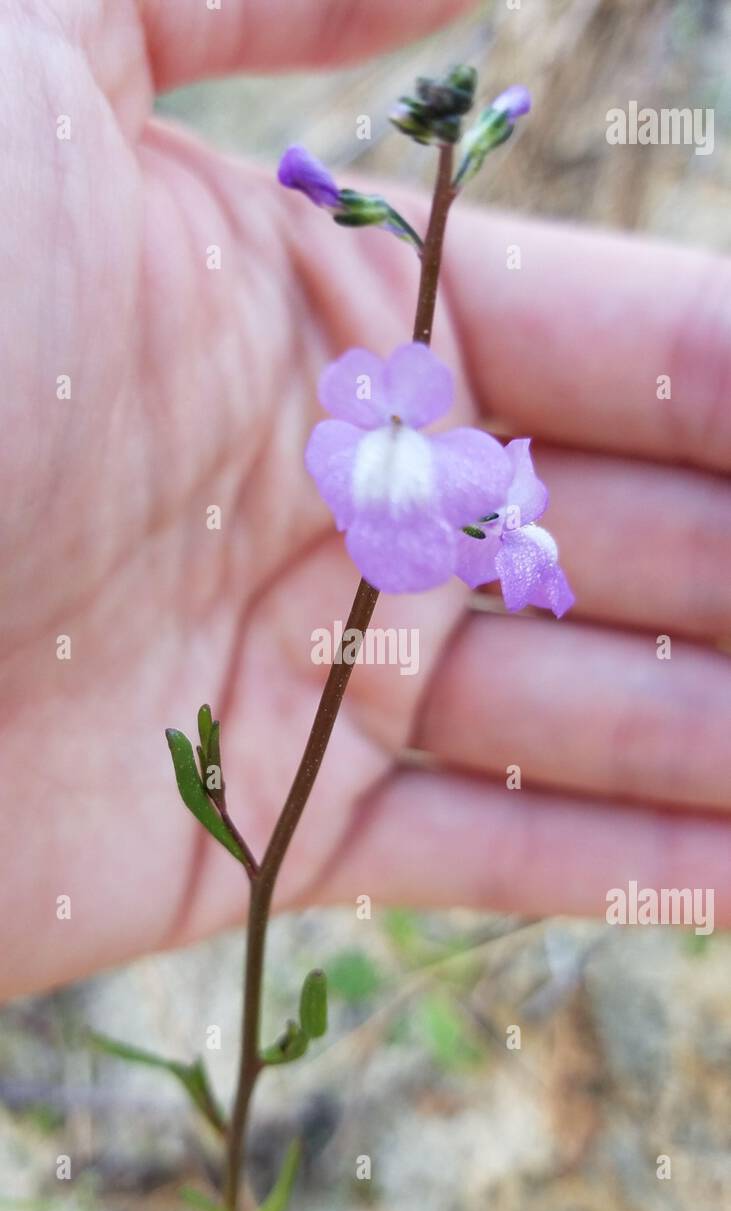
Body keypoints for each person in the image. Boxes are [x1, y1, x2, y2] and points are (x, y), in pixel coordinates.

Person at [2, 0, 729, 1000]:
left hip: (429, 478)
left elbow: (485, 504)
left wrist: (494, 531)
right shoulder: (371, 433)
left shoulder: (444, 462)